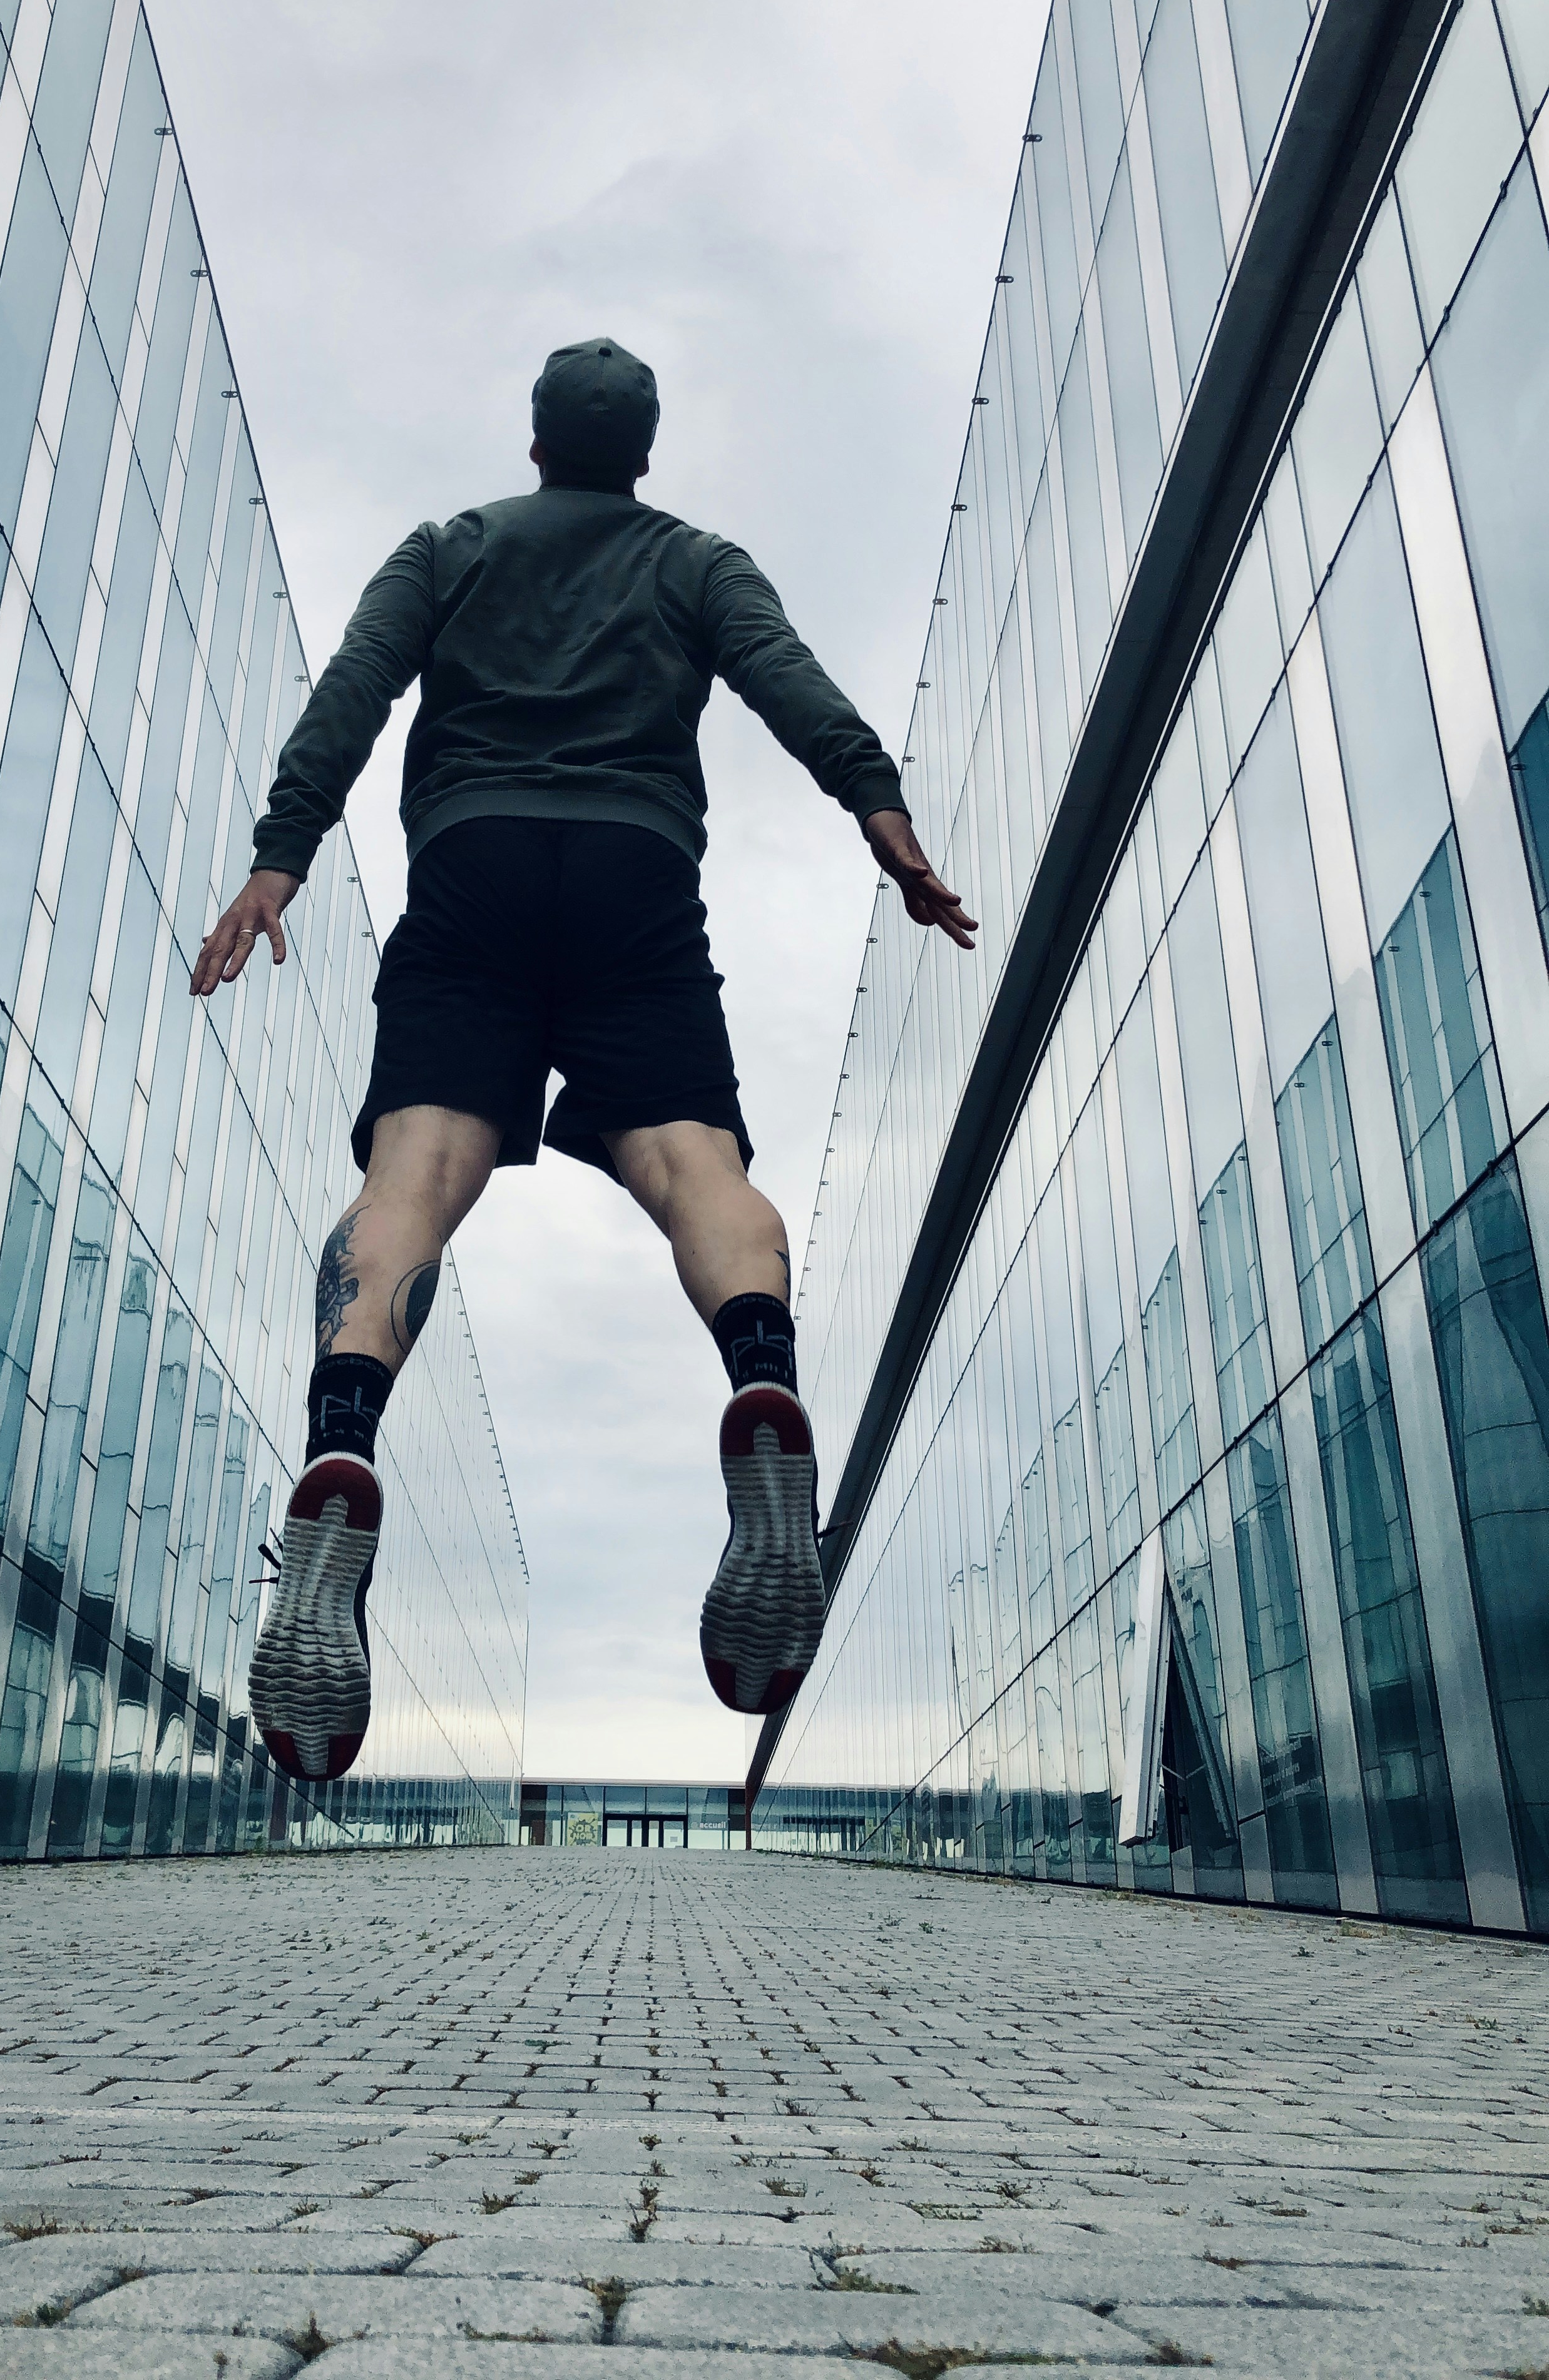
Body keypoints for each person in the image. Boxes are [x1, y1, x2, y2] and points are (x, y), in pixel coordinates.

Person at [192, 338, 976, 1784]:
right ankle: (763, 1385)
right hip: (633, 882)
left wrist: (278, 860)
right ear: (646, 450)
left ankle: (344, 1441)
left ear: (538, 439)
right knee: (699, 1167)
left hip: (472, 873)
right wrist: (882, 815)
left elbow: (354, 695)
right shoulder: (696, 560)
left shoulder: (452, 549)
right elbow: (786, 680)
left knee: (412, 1175)